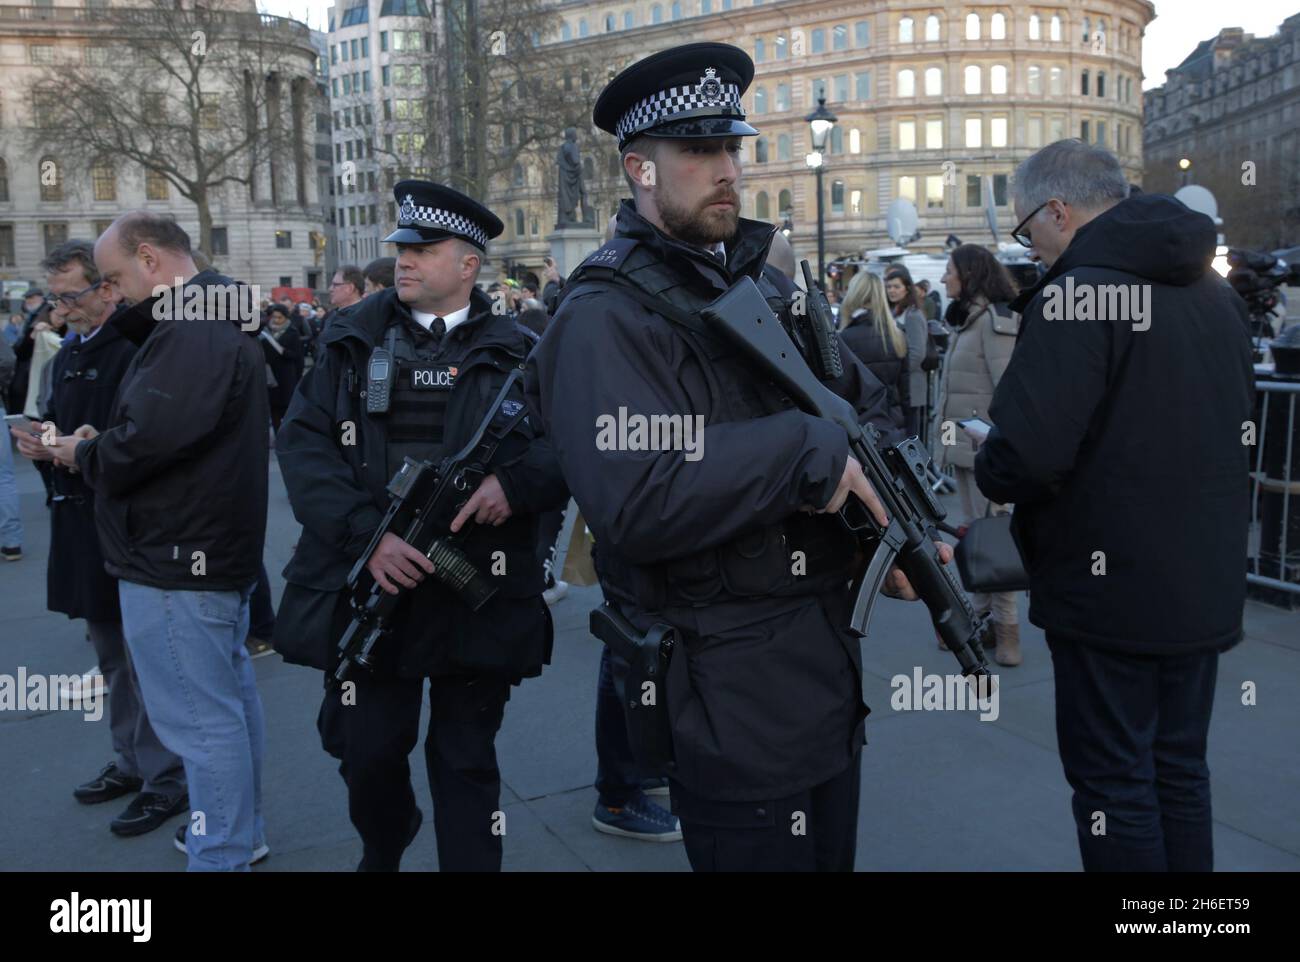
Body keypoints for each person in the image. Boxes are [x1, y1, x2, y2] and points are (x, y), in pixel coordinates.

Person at [526, 42, 942, 872]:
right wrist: (805, 452)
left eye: (731, 148)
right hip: (722, 690)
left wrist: (901, 518)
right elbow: (634, 499)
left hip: (820, 667)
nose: (726, 169)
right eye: (698, 151)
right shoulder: (602, 315)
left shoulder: (766, 291)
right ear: (640, 169)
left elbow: (863, 408)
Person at [975, 139, 1255, 872]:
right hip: (1203, 583)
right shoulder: (1213, 292)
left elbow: (1026, 456)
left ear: (1057, 210)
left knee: (1115, 787)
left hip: (1110, 595)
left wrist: (988, 453)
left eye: (1024, 227)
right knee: (1180, 773)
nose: (1026, 244)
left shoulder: (1076, 294)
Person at [273, 180, 567, 872]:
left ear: (469, 264)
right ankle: (388, 836)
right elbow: (304, 445)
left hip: (475, 592)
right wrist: (368, 536)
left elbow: (577, 443)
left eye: (423, 248)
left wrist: (515, 484)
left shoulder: (522, 349)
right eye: (402, 245)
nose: (404, 259)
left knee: (466, 759)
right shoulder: (349, 338)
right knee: (364, 749)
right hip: (375, 583)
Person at [48, 211, 271, 871]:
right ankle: (235, 834)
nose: (113, 294)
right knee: (223, 711)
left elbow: (147, 441)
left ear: (150, 259)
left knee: (203, 724)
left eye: (115, 277)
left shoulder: (193, 329)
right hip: (197, 550)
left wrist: (84, 453)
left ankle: (222, 848)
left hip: (176, 555)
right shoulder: (207, 320)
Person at [8, 240, 186, 835]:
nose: (62, 309)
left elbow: (142, 440)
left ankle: (167, 779)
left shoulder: (136, 349)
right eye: (56, 298)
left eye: (71, 295)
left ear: (105, 288)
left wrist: (77, 447)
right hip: (80, 521)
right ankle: (133, 761)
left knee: (144, 661)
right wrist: (42, 444)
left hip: (126, 525)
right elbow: (62, 424)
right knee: (112, 656)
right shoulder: (67, 356)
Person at [936, 244, 1022, 666]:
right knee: (978, 540)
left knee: (997, 541)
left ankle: (1006, 629)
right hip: (967, 450)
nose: (943, 278)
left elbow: (1010, 389)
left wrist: (999, 443)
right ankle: (978, 622)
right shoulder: (966, 322)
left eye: (949, 270)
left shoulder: (994, 321)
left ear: (968, 274)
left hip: (991, 452)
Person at [838, 270, 907, 433]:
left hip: (859, 429)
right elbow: (906, 393)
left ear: (853, 295)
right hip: (892, 424)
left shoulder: (844, 338)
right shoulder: (897, 335)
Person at [884, 265, 931, 439]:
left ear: (907, 288)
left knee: (912, 435)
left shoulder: (913, 314)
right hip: (899, 387)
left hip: (911, 387)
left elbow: (917, 353)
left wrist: (897, 372)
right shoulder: (893, 312)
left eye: (896, 287)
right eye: (889, 287)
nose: (892, 291)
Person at [261, 303, 304, 431]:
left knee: (287, 408)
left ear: (285, 317)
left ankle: (288, 434)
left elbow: (297, 356)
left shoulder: (292, 332)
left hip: (286, 375)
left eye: (279, 317)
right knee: (273, 407)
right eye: (274, 317)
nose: (276, 320)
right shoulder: (265, 332)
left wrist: (282, 351)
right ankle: (277, 433)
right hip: (271, 376)